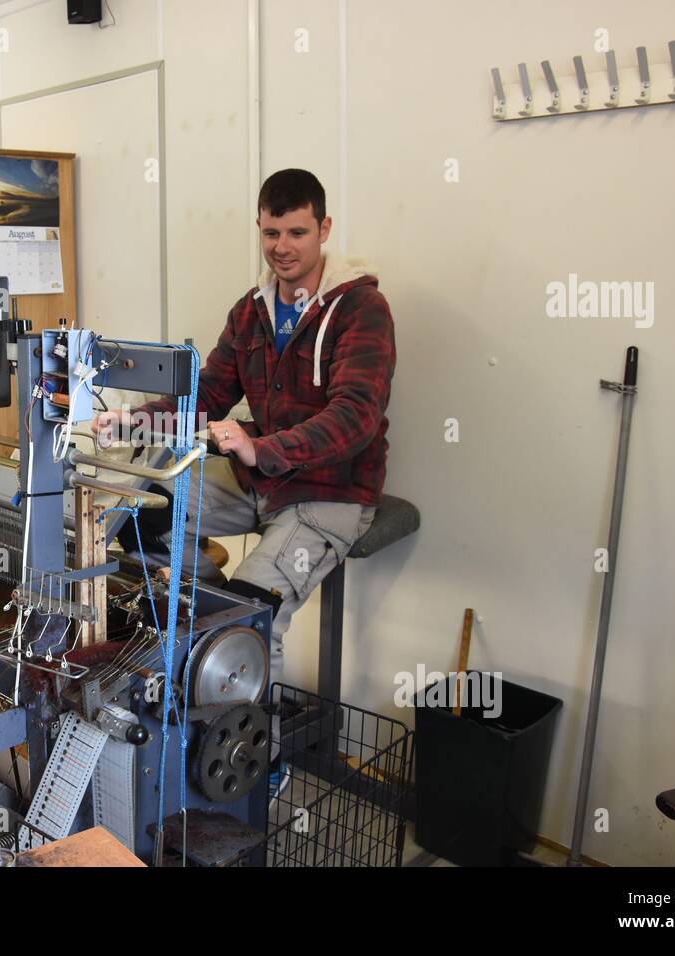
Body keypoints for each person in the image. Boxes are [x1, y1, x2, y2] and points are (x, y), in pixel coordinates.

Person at [93, 168, 395, 797]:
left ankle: (262, 768)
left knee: (248, 616)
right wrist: (130, 423)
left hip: (331, 495)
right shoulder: (252, 311)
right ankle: (171, 684)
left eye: (296, 232)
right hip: (258, 480)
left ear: (324, 230)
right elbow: (207, 395)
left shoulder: (361, 308)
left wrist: (262, 446)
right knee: (144, 505)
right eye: (270, 233)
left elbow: (356, 417)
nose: (282, 247)